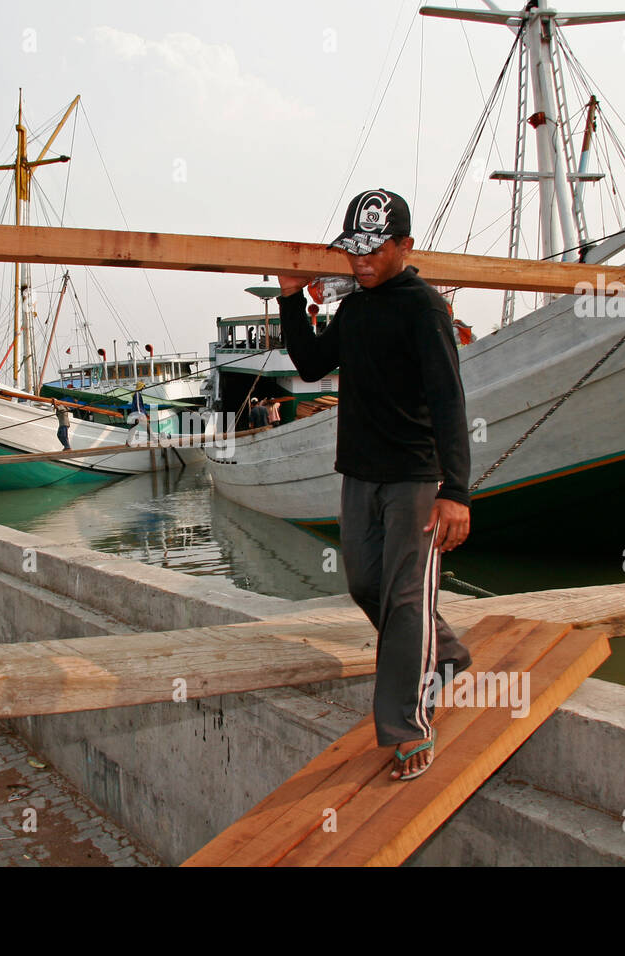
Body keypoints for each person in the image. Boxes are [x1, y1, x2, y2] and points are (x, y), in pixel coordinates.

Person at [277, 188, 472, 782]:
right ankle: (449, 654)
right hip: (359, 472)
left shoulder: (425, 308)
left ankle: (408, 726)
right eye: (352, 250)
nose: (360, 261)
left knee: (406, 596)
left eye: (374, 249)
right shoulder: (355, 309)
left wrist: (456, 492)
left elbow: (448, 400)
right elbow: (310, 365)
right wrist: (290, 301)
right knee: (365, 582)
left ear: (404, 246)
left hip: (415, 475)